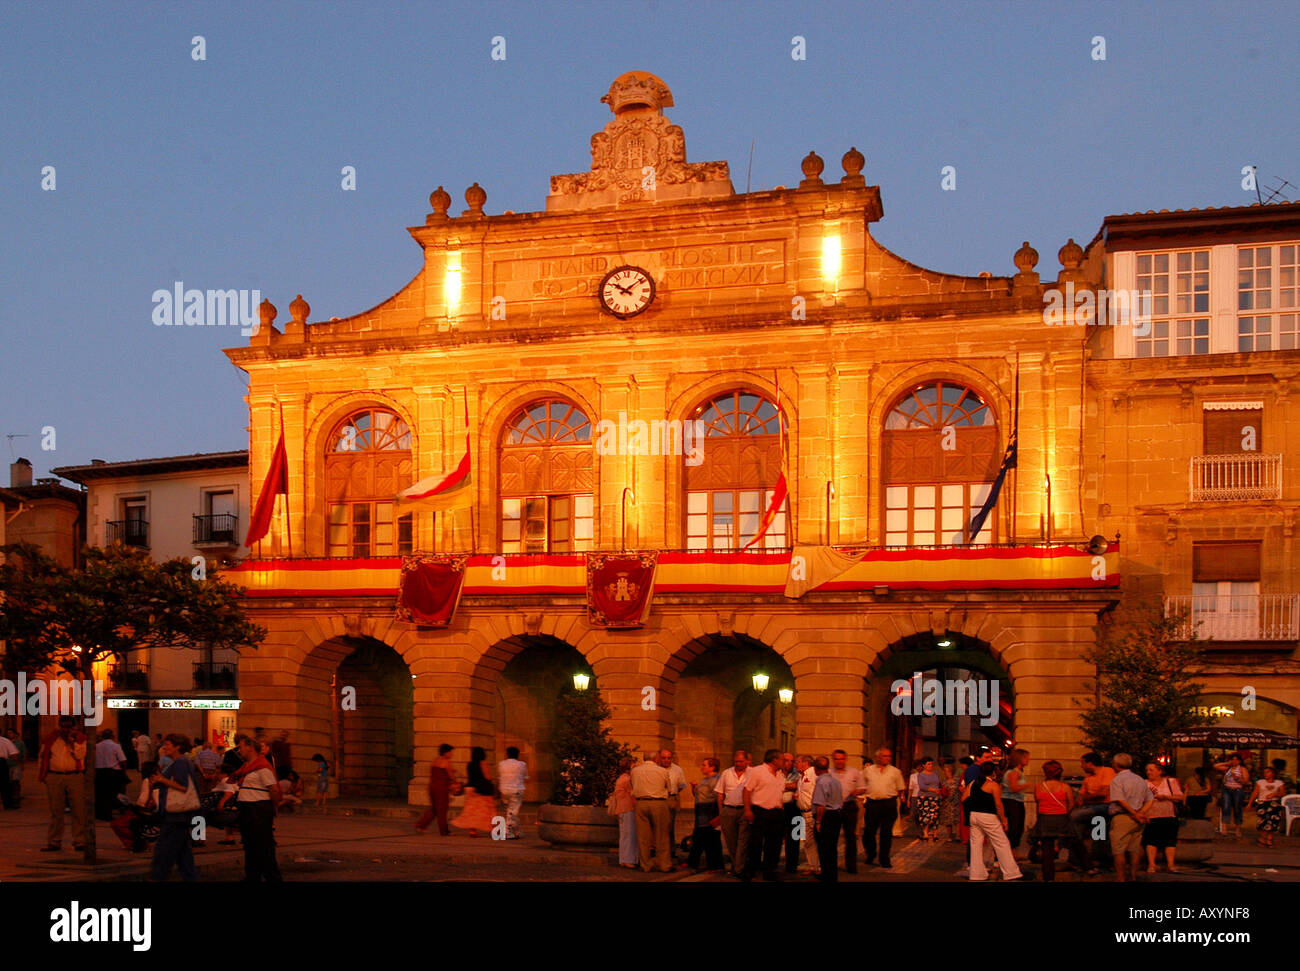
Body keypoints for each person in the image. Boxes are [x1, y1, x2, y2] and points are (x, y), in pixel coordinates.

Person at [964, 761, 1026, 880]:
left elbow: (964, 798)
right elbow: (998, 804)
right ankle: (1011, 872)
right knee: (1002, 843)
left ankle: (976, 874)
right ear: (993, 772)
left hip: (974, 815)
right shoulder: (993, 785)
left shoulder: (972, 783)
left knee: (976, 845)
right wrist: (1004, 820)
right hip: (988, 816)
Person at [232, 735, 283, 882]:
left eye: (240, 746)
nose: (239, 750)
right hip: (248, 808)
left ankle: (272, 877)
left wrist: (274, 807)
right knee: (249, 845)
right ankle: (252, 876)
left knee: (263, 846)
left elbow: (273, 789)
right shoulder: (247, 767)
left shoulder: (262, 766)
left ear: (250, 747)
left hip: (258, 809)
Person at [150, 734, 199, 881]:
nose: (164, 747)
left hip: (176, 813)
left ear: (178, 747)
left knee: (163, 850)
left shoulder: (180, 763)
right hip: (181, 815)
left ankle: (158, 877)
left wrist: (161, 780)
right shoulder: (183, 762)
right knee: (183, 853)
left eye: (168, 744)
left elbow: (182, 786)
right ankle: (189, 878)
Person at [38, 716, 88, 852]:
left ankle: (79, 840)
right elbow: (43, 756)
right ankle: (54, 841)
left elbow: (79, 756)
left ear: (74, 727)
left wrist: (72, 743)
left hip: (74, 775)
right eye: (63, 727)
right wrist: (44, 775)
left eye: (69, 727)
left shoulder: (80, 739)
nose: (66, 730)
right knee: (56, 810)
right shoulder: (51, 739)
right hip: (55, 776)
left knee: (78, 809)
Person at [741, 748, 787, 881]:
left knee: (774, 844)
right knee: (755, 842)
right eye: (782, 759)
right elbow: (747, 790)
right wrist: (748, 810)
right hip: (760, 811)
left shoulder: (780, 774)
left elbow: (779, 792)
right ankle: (751, 869)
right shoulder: (757, 771)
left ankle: (770, 870)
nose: (784, 762)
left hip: (776, 812)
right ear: (774, 760)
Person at [1069, 752, 1116, 875]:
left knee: (1075, 816)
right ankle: (1078, 858)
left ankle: (1101, 861)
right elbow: (1080, 797)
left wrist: (1086, 798)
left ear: (1090, 764)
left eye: (1082, 763)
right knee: (1078, 828)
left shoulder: (1107, 772)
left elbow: (1103, 793)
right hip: (1092, 807)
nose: (1081, 766)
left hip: (1104, 806)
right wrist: (1086, 798)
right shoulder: (1088, 777)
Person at [1108, 753, 1152, 882]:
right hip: (1138, 819)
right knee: (1134, 849)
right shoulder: (1140, 779)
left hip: (1123, 817)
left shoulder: (1117, 780)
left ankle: (1121, 878)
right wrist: (1141, 813)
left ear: (1115, 765)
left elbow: (1121, 800)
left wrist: (1134, 813)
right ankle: (1133, 876)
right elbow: (1150, 799)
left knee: (1118, 850)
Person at [862, 747, 906, 868]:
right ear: (878, 757)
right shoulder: (868, 771)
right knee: (869, 832)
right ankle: (870, 853)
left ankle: (884, 859)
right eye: (885, 756)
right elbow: (861, 785)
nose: (888, 758)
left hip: (889, 804)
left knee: (886, 833)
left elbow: (901, 787)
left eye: (889, 756)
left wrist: (901, 800)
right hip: (873, 804)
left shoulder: (895, 771)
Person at [630, 750, 673, 872]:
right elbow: (668, 788)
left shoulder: (635, 771)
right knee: (662, 835)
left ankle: (645, 864)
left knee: (643, 837)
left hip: (640, 803)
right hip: (658, 803)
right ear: (656, 759)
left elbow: (632, 785)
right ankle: (664, 864)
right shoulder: (662, 771)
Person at [1034, 759, 1076, 882]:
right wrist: (1065, 812)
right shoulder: (1065, 787)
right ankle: (1085, 865)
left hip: (1045, 818)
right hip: (1061, 818)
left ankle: (1048, 878)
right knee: (1073, 840)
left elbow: (1038, 804)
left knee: (1047, 851)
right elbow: (1071, 803)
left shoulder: (1038, 787)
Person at [110, 760, 163, 853]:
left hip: (144, 811)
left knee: (120, 824)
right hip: (148, 811)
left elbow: (144, 798)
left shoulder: (149, 781)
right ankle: (136, 843)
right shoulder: (156, 781)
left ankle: (136, 843)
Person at [830, 749, 866, 873]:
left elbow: (863, 788)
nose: (839, 761)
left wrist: (857, 791)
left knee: (850, 837)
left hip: (849, 806)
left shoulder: (854, 772)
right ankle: (831, 865)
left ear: (845, 759)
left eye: (841, 759)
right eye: (837, 759)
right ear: (833, 760)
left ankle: (851, 866)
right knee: (832, 838)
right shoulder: (829, 773)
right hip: (833, 807)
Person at [1142, 762, 1183, 873]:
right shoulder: (1144, 783)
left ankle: (1170, 865)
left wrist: (1166, 797)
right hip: (1151, 815)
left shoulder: (1170, 782)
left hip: (1169, 815)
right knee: (1151, 841)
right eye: (1147, 770)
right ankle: (1151, 864)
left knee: (1170, 841)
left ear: (1160, 771)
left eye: (1151, 770)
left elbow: (1180, 796)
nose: (1148, 772)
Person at [715, 750, 750, 876]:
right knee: (731, 841)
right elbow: (720, 793)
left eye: (741, 761)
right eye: (736, 761)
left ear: (746, 761)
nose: (738, 764)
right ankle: (737, 866)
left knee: (743, 841)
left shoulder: (752, 773)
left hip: (744, 810)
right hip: (728, 809)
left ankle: (738, 869)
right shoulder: (726, 773)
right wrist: (721, 812)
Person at [686, 757, 723, 872]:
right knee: (699, 837)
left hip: (710, 811)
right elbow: (698, 795)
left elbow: (718, 796)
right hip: (700, 812)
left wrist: (720, 814)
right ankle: (693, 862)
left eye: (704, 765)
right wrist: (694, 788)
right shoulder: (704, 780)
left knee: (711, 839)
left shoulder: (716, 779)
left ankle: (715, 865)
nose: (702, 767)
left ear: (712, 767)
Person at [811, 756, 844, 883]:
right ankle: (831, 874)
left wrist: (818, 822)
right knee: (832, 847)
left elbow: (820, 804)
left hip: (826, 816)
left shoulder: (821, 782)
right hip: (836, 814)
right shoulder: (835, 781)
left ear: (815, 769)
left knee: (824, 848)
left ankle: (827, 875)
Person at [451, 747, 497, 836]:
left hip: (470, 789)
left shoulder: (469, 764)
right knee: (488, 811)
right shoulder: (482, 763)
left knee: (471, 811)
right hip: (482, 790)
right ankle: (494, 830)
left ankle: (472, 831)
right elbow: (487, 777)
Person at [416, 744, 455, 835]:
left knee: (435, 808)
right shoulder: (446, 762)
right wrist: (455, 782)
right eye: (450, 752)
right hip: (441, 788)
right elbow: (451, 776)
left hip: (432, 787)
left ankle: (421, 825)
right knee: (442, 809)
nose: (451, 754)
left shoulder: (435, 761)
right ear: (446, 752)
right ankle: (444, 831)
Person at [1248, 765, 1287, 848]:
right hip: (1263, 803)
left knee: (1272, 820)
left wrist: (1275, 794)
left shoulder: (1279, 783)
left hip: (1274, 803)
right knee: (1264, 820)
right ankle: (1262, 838)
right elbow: (1255, 793)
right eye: (1265, 772)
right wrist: (1250, 803)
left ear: (1273, 773)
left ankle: (1269, 838)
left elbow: (1283, 793)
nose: (1266, 774)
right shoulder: (1260, 782)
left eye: (1268, 772)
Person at [94, 729, 128, 821]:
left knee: (101, 794)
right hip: (112, 772)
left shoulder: (97, 746)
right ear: (112, 736)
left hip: (99, 772)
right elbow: (123, 760)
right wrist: (123, 771)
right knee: (111, 794)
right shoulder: (115, 746)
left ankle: (100, 813)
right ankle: (110, 814)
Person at [794, 754, 820, 875]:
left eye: (797, 762)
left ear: (805, 763)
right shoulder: (801, 777)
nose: (795, 764)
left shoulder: (814, 774)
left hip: (812, 812)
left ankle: (820, 867)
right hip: (802, 813)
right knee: (808, 842)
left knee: (818, 840)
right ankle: (813, 866)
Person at [1000, 748, 1029, 851]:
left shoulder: (1018, 771)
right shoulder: (1014, 772)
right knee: (1014, 828)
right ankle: (1009, 852)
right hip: (1012, 802)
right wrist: (1027, 785)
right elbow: (1013, 788)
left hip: (1016, 801)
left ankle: (1013, 852)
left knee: (1017, 828)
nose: (1028, 760)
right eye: (1026, 757)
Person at [497, 746, 528, 839]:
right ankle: (508, 832)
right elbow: (525, 776)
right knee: (512, 812)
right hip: (516, 790)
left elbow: (499, 775)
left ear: (507, 754)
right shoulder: (522, 764)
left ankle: (517, 831)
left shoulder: (501, 764)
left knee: (511, 811)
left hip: (504, 790)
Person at [1214, 753, 1249, 837]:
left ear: (1240, 761)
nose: (1234, 761)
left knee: (1237, 809)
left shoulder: (1242, 769)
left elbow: (1246, 781)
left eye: (1236, 759)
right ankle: (1225, 828)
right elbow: (1216, 766)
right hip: (1227, 789)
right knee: (1226, 807)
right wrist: (1227, 763)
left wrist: (1237, 778)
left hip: (1237, 790)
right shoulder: (1228, 769)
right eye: (1233, 759)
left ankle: (1238, 828)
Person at [612, 757, 637, 868]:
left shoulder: (621, 778)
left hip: (622, 809)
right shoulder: (627, 780)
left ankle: (624, 858)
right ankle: (628, 859)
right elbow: (633, 794)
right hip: (628, 808)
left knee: (625, 835)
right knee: (630, 834)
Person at [779, 752, 801, 873]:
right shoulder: (776, 773)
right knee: (776, 837)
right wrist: (789, 786)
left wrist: (781, 786)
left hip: (794, 808)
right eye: (787, 760)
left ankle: (792, 865)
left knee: (794, 837)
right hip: (779, 808)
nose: (790, 763)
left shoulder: (798, 774)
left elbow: (798, 785)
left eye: (792, 761)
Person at [664, 750, 688, 859]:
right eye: (664, 758)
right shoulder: (655, 768)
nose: (667, 760)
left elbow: (682, 785)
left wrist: (674, 793)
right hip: (657, 798)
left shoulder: (677, 770)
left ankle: (670, 850)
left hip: (671, 798)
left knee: (669, 825)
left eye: (669, 758)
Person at [914, 757, 942, 841]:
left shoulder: (935, 773)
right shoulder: (921, 775)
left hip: (936, 797)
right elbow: (922, 786)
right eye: (928, 764)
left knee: (935, 815)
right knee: (926, 815)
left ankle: (935, 833)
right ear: (924, 765)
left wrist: (939, 790)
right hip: (925, 797)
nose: (931, 766)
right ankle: (925, 832)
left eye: (931, 764)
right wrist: (933, 789)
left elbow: (939, 783)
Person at [6, 728, 27, 806]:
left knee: (15, 781)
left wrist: (22, 764)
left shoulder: (20, 743)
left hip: (16, 764)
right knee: (9, 782)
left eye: (11, 733)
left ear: (15, 734)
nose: (9, 734)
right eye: (8, 733)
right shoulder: (6, 742)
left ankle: (16, 797)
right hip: (7, 764)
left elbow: (24, 753)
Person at [0, 730, 18, 810]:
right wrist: (16, 764)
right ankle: (7, 804)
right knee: (5, 784)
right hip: (1, 763)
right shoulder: (5, 741)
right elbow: (14, 754)